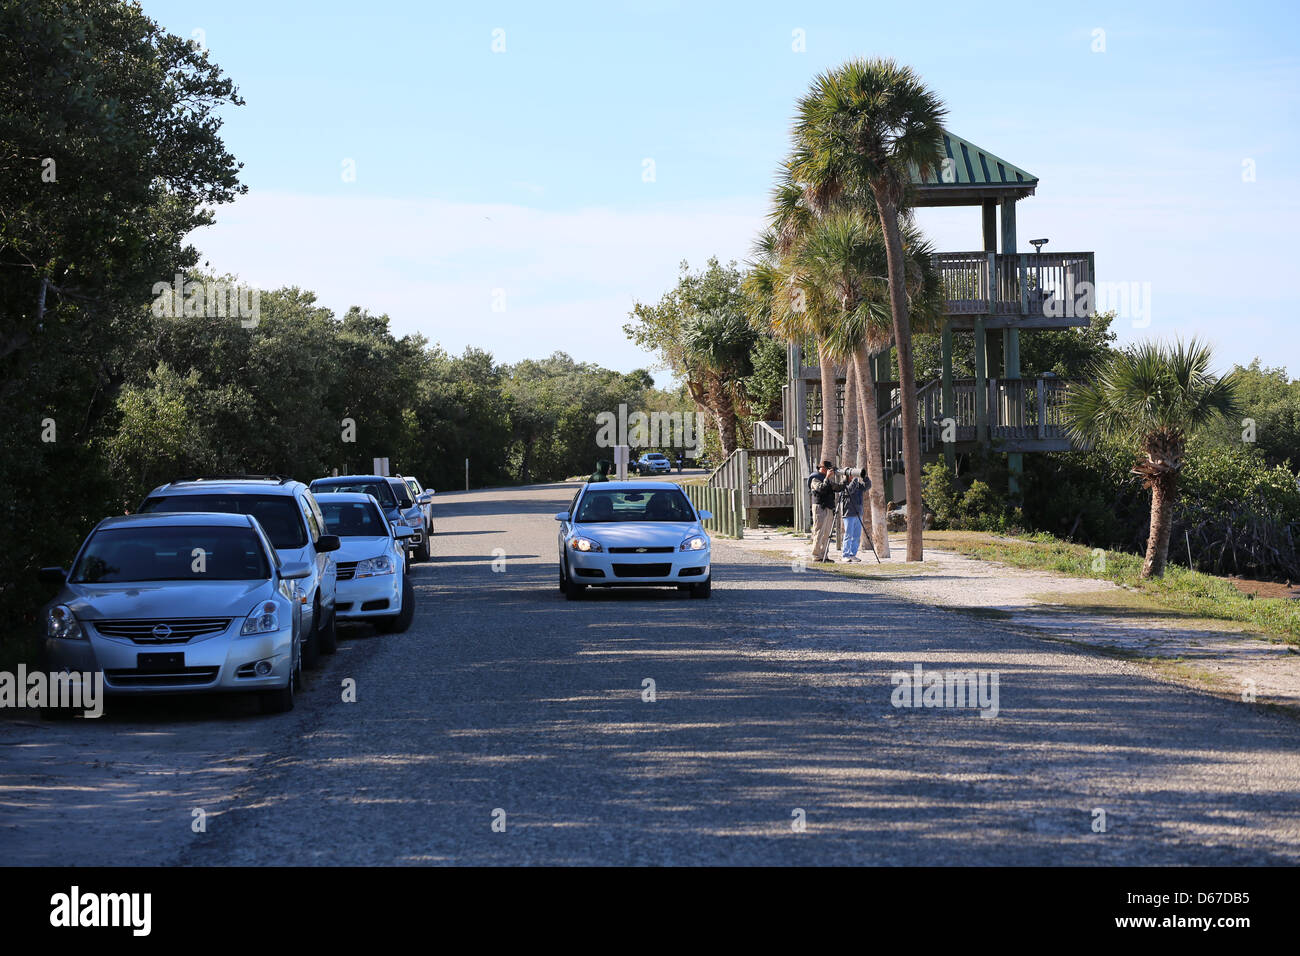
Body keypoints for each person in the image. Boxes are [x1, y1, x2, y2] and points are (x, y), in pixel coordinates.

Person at [809, 460, 844, 562]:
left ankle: (824, 555)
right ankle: (816, 555)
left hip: (828, 507)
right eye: (828, 469)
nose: (830, 471)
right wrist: (827, 477)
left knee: (827, 533)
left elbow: (837, 488)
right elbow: (821, 489)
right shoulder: (814, 478)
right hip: (820, 507)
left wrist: (846, 480)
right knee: (819, 531)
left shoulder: (826, 479)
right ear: (823, 468)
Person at [840, 472, 870, 562]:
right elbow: (849, 490)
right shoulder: (844, 485)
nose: (854, 476)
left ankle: (852, 554)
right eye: (852, 474)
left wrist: (865, 478)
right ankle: (845, 555)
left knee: (856, 536)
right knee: (848, 535)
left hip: (858, 513)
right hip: (849, 514)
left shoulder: (858, 485)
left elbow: (867, 486)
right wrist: (855, 480)